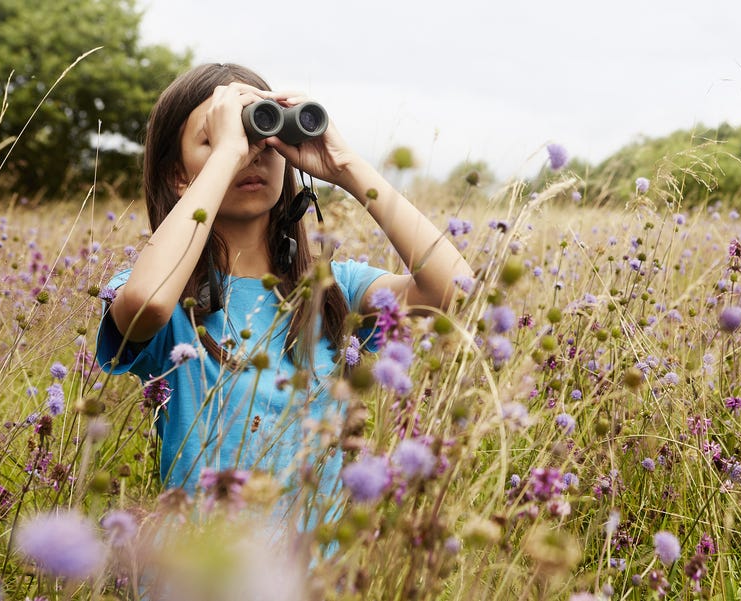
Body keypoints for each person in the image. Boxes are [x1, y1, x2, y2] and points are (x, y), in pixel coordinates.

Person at [96, 63, 472, 524]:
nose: (251, 154)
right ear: (178, 176)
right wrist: (226, 156)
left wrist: (347, 167)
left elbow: (456, 291)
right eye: (215, 138)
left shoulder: (333, 289)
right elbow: (147, 304)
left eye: (262, 134)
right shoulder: (165, 292)